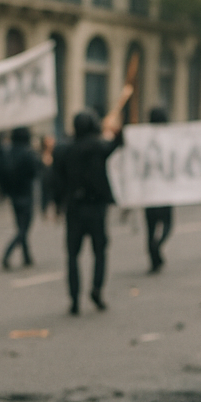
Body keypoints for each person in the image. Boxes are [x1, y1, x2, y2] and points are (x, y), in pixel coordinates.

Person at [52, 109, 124, 315]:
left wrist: (58, 203)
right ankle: (96, 289)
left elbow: (56, 179)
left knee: (72, 255)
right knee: (99, 252)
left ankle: (74, 299)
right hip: (96, 207)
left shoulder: (65, 150)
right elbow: (116, 144)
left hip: (74, 207)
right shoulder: (98, 146)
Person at [0, 126, 41, 269]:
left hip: (14, 194)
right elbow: (35, 171)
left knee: (21, 225)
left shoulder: (8, 152)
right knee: (24, 228)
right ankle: (7, 254)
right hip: (26, 193)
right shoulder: (28, 153)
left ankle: (27, 256)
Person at [144, 107, 173, 273]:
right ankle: (157, 246)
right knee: (168, 224)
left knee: (150, 227)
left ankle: (153, 258)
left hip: (149, 192)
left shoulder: (143, 138)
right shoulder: (169, 139)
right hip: (164, 191)